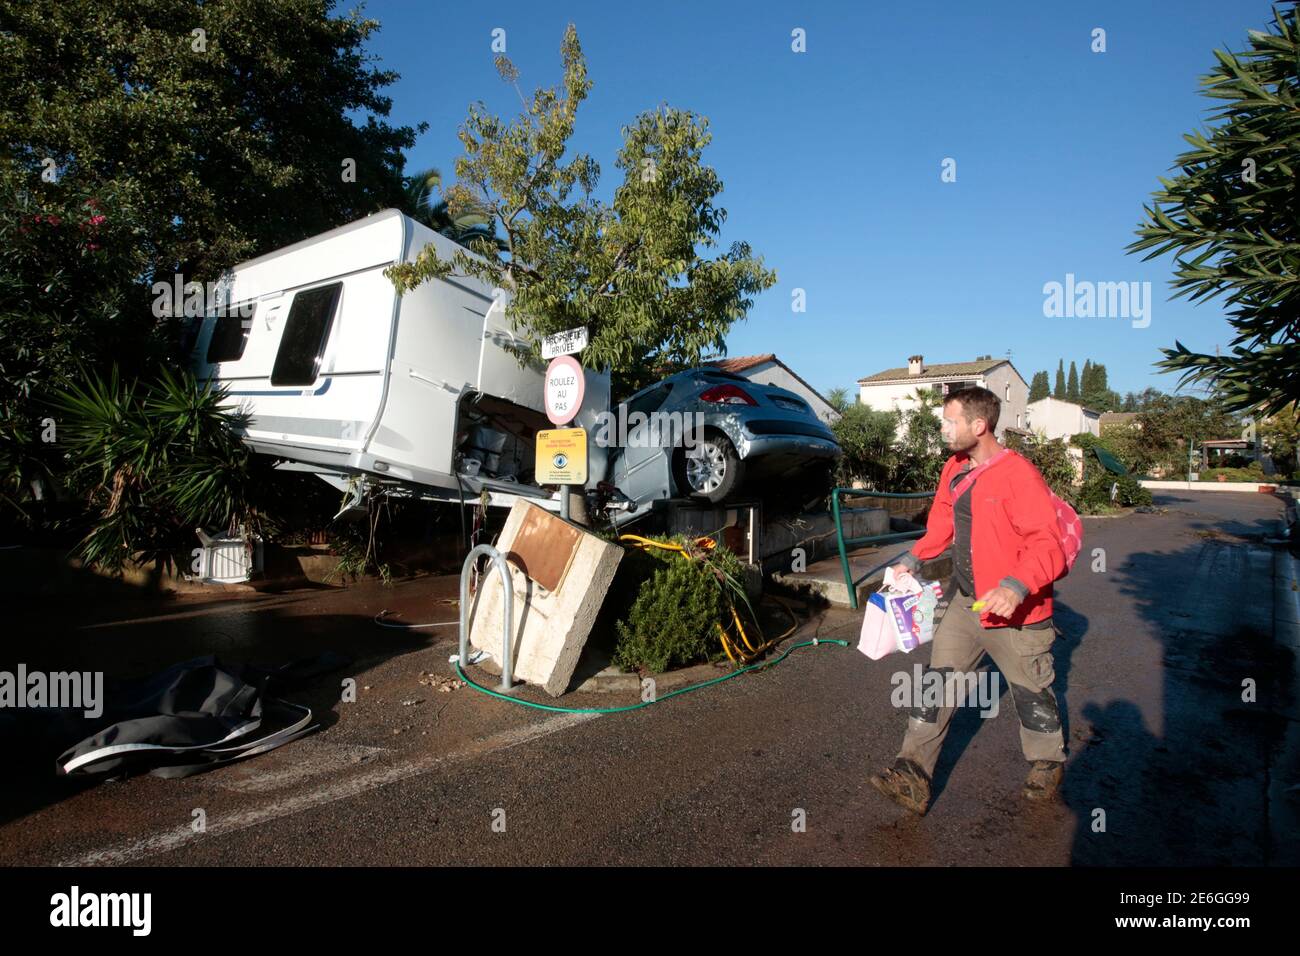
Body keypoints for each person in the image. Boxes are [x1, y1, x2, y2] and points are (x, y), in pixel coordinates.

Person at [868, 386, 1069, 815]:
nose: (943, 429)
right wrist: (912, 559)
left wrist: (1016, 586)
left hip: (1018, 610)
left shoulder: (1020, 476)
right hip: (967, 603)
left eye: (950, 422)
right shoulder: (955, 469)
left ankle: (1047, 762)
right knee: (936, 685)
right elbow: (940, 527)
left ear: (979, 426)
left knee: (1030, 691)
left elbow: (1047, 545)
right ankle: (912, 775)